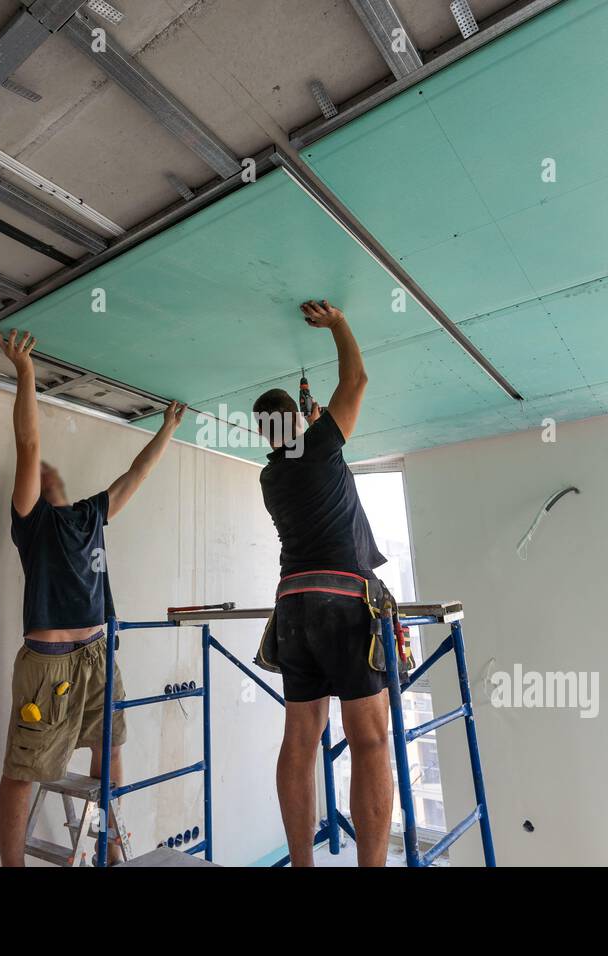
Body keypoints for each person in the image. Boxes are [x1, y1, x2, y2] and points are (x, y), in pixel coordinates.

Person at [0, 329, 186, 866]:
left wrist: (167, 428)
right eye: (38, 474)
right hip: (49, 667)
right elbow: (28, 445)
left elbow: (137, 474)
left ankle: (111, 847)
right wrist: (25, 371)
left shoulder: (88, 516)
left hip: (100, 655)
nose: (44, 472)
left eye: (51, 472)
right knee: (24, 768)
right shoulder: (31, 522)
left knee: (110, 747)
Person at [252, 299, 393, 867]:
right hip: (342, 601)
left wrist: (306, 420)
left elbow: (304, 440)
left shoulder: (272, 474)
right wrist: (338, 323)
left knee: (301, 743)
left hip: (292, 608)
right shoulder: (320, 447)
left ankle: (302, 864)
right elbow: (356, 378)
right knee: (371, 741)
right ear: (302, 422)